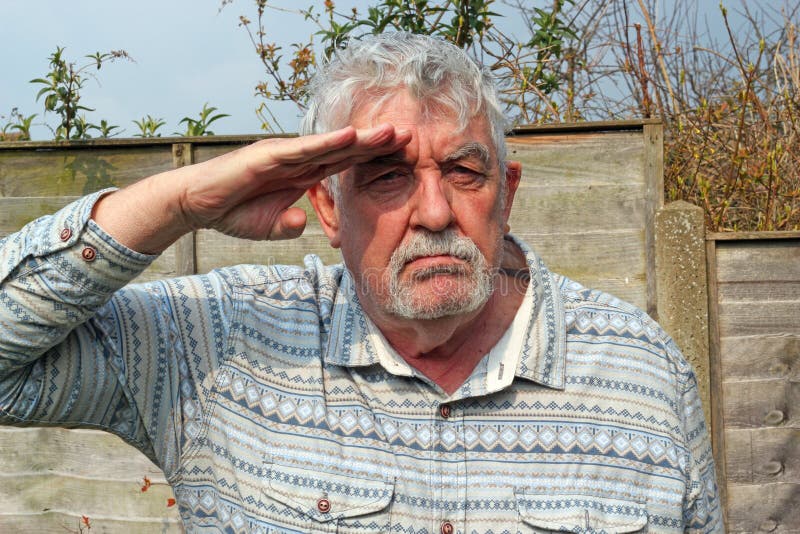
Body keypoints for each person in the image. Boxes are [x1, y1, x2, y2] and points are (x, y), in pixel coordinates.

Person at [0, 32, 721, 533]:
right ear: (327, 208)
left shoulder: (644, 374)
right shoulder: (215, 346)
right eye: (386, 177)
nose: (434, 212)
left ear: (505, 194)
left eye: (463, 172)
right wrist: (178, 201)